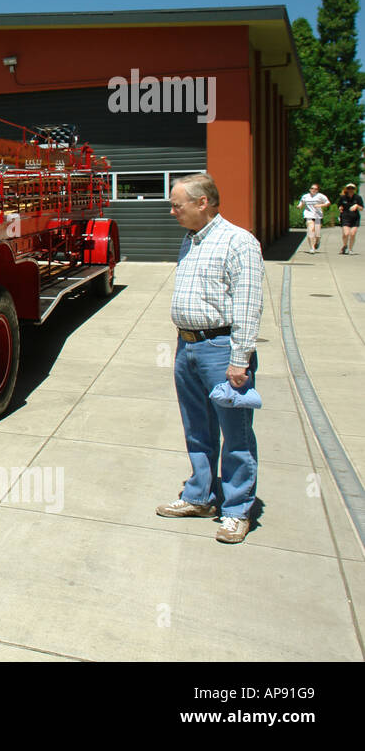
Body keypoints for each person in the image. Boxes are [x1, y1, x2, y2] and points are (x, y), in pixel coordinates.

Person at [157, 173, 264, 543]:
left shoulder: (239, 242)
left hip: (221, 351)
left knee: (235, 435)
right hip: (188, 348)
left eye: (177, 205)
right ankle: (200, 496)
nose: (172, 212)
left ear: (203, 203)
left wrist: (240, 359)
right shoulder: (190, 241)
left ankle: (237, 510)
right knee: (197, 429)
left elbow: (248, 307)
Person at [299, 183, 330, 253]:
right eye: (312, 188)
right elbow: (302, 202)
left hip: (318, 216)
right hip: (308, 215)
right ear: (310, 189)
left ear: (317, 190)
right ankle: (312, 248)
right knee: (310, 230)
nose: (313, 190)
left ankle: (318, 241)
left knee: (317, 233)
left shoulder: (320, 196)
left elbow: (328, 203)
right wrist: (300, 205)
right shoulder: (305, 196)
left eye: (315, 189)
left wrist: (320, 205)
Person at [337, 182, 362, 255]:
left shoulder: (357, 197)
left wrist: (356, 206)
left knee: (353, 234)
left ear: (354, 189)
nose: (350, 190)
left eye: (352, 188)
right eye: (349, 188)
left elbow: (361, 208)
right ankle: (345, 245)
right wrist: (340, 208)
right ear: (346, 189)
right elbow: (339, 205)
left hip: (355, 218)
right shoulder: (343, 197)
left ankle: (350, 249)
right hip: (345, 217)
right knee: (346, 233)